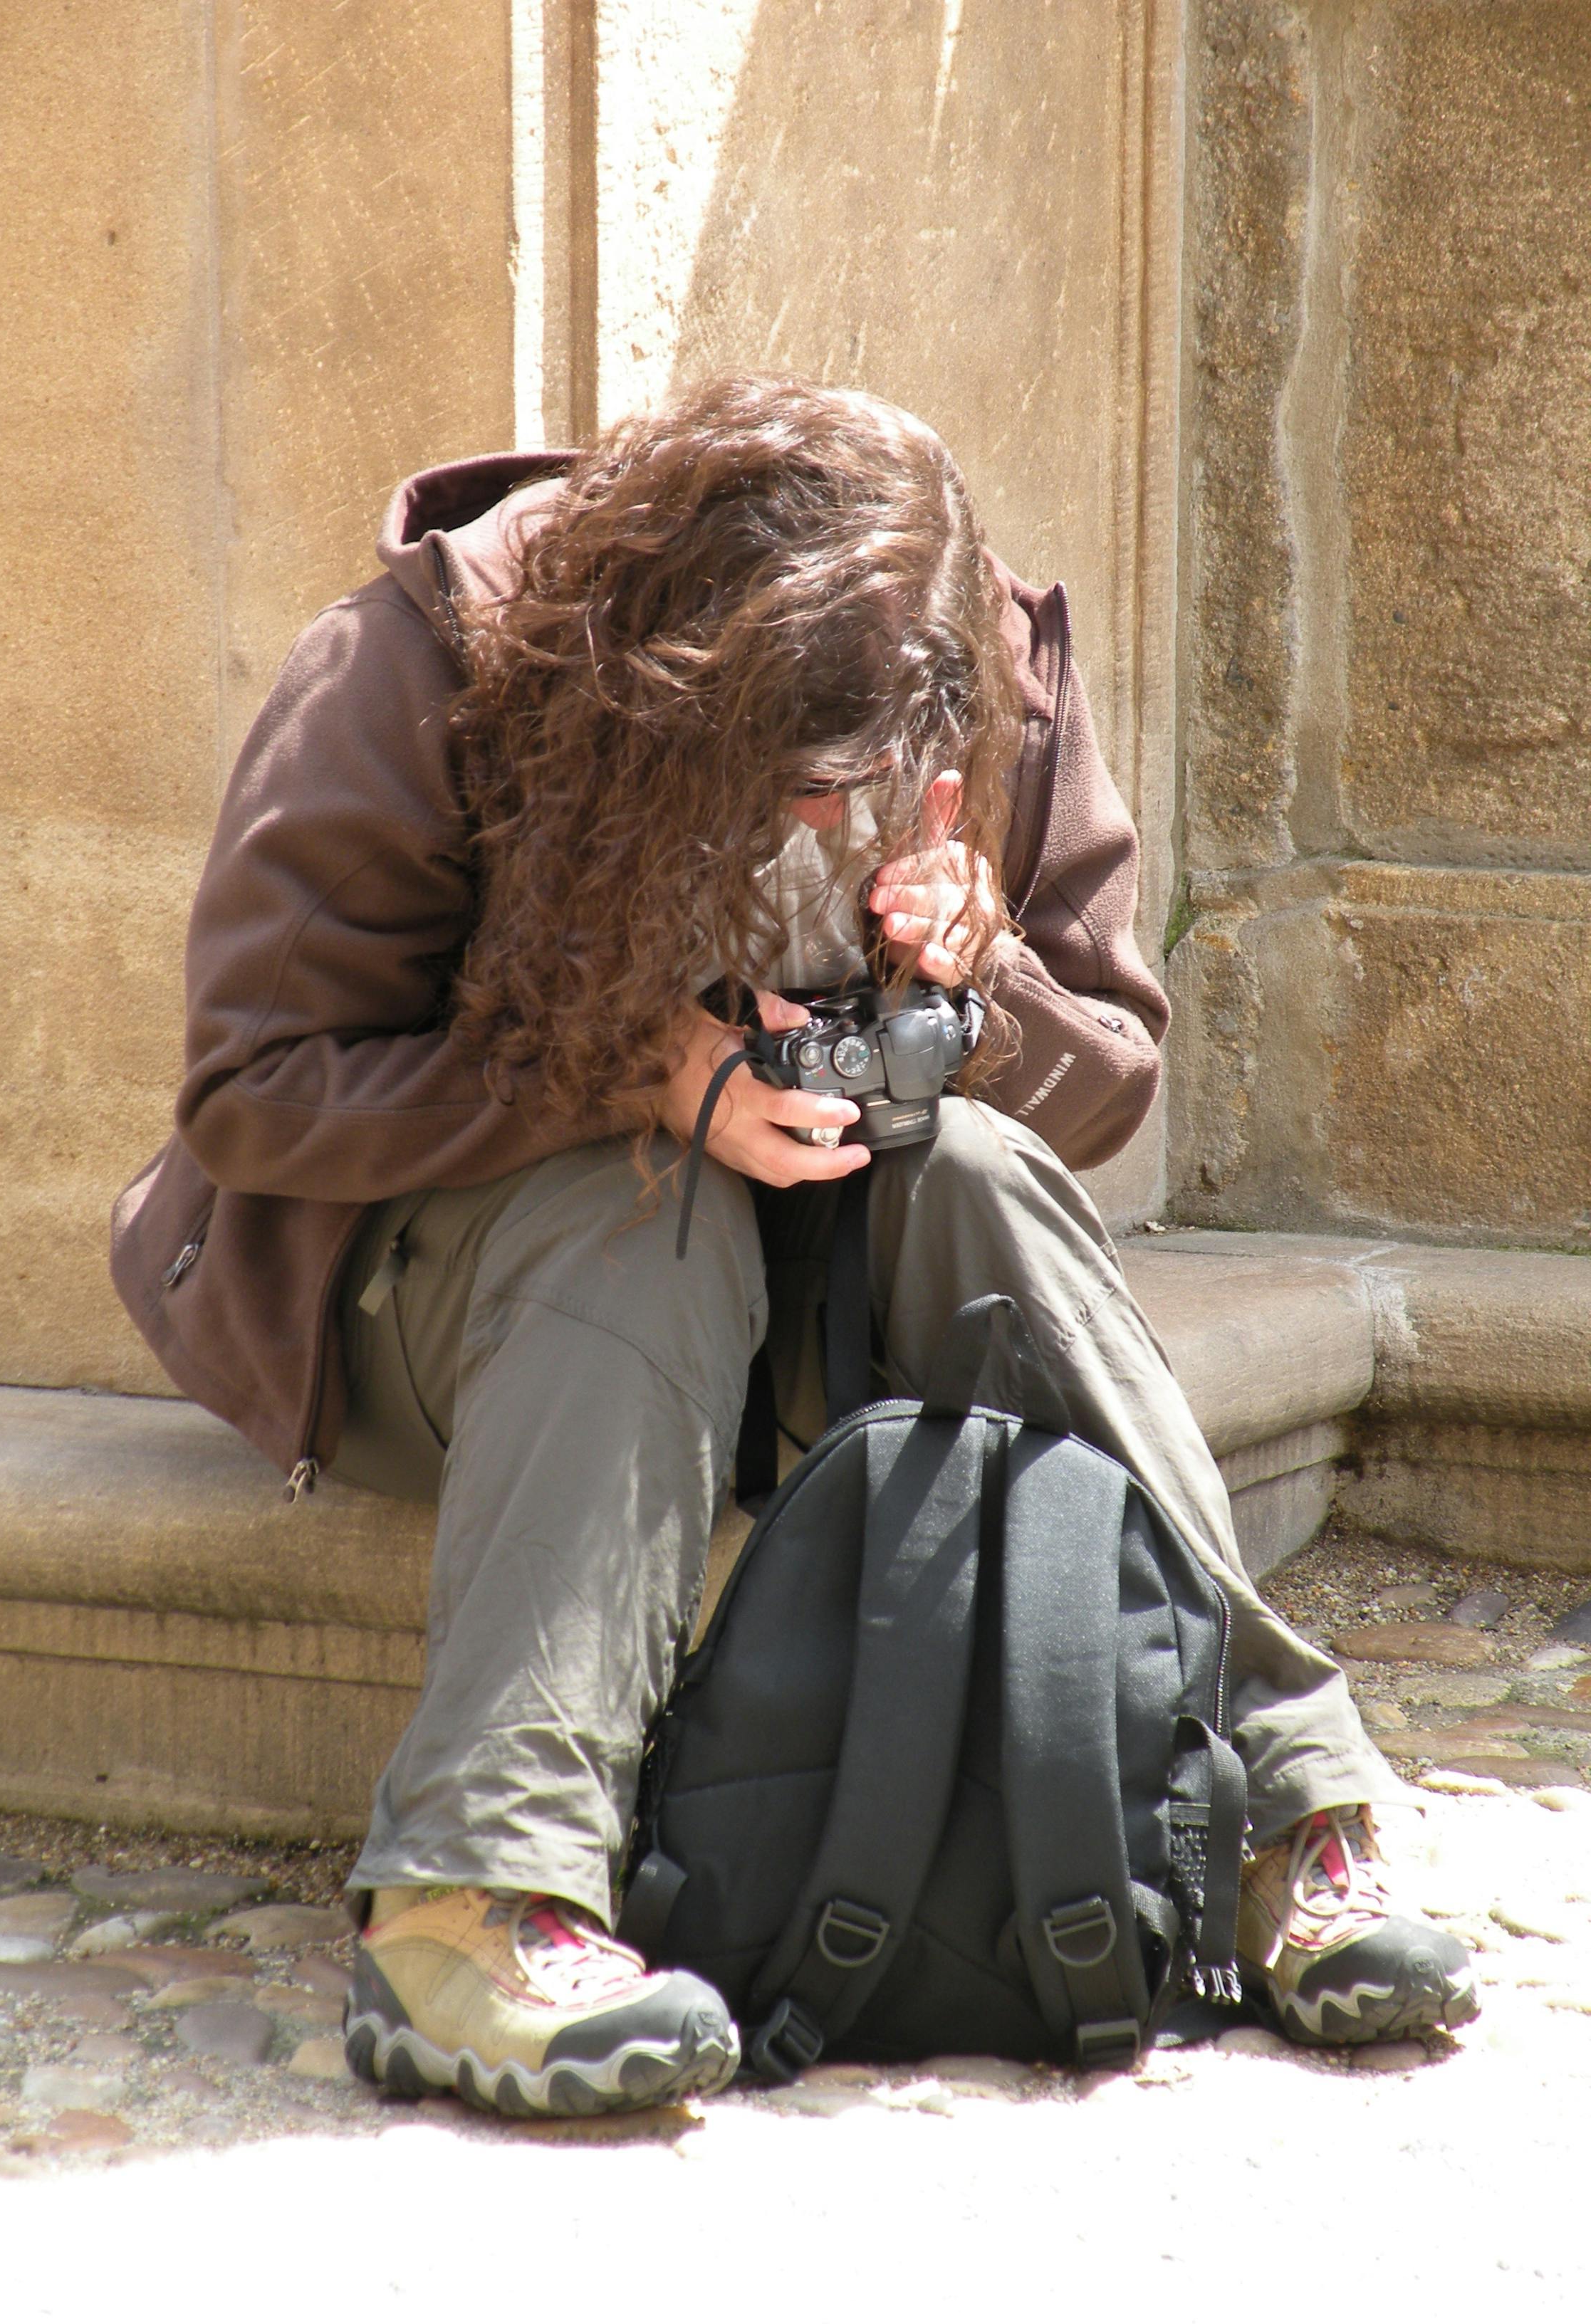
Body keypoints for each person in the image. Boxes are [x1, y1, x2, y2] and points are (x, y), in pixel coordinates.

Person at [112, 375, 1476, 2118]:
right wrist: (646, 1069)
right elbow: (257, 1087)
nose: (842, 824)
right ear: (689, 688)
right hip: (443, 1309)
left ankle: (1287, 1808)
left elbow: (1114, 1071)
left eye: (883, 786)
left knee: (972, 1168)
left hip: (797, 1294)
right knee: (646, 1201)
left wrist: (981, 991)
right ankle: (472, 1898)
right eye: (808, 781)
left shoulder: (965, 654)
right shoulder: (428, 661)